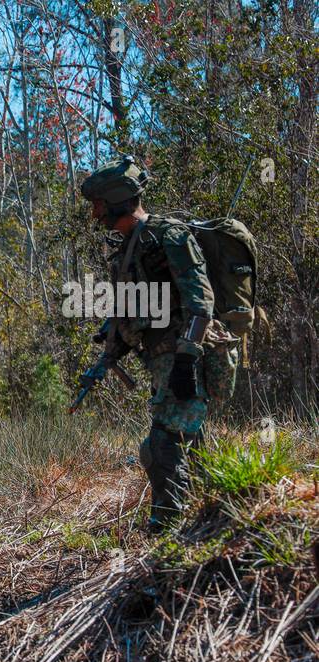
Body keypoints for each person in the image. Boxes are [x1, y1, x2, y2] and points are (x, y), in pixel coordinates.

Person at [79, 155, 241, 531]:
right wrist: (109, 349)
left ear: (118, 199)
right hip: (162, 359)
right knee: (191, 442)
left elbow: (201, 303)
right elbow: (133, 306)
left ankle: (165, 531)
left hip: (184, 356)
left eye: (99, 204)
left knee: (161, 446)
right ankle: (214, 520)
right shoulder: (129, 247)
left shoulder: (169, 236)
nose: (95, 213)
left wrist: (187, 358)